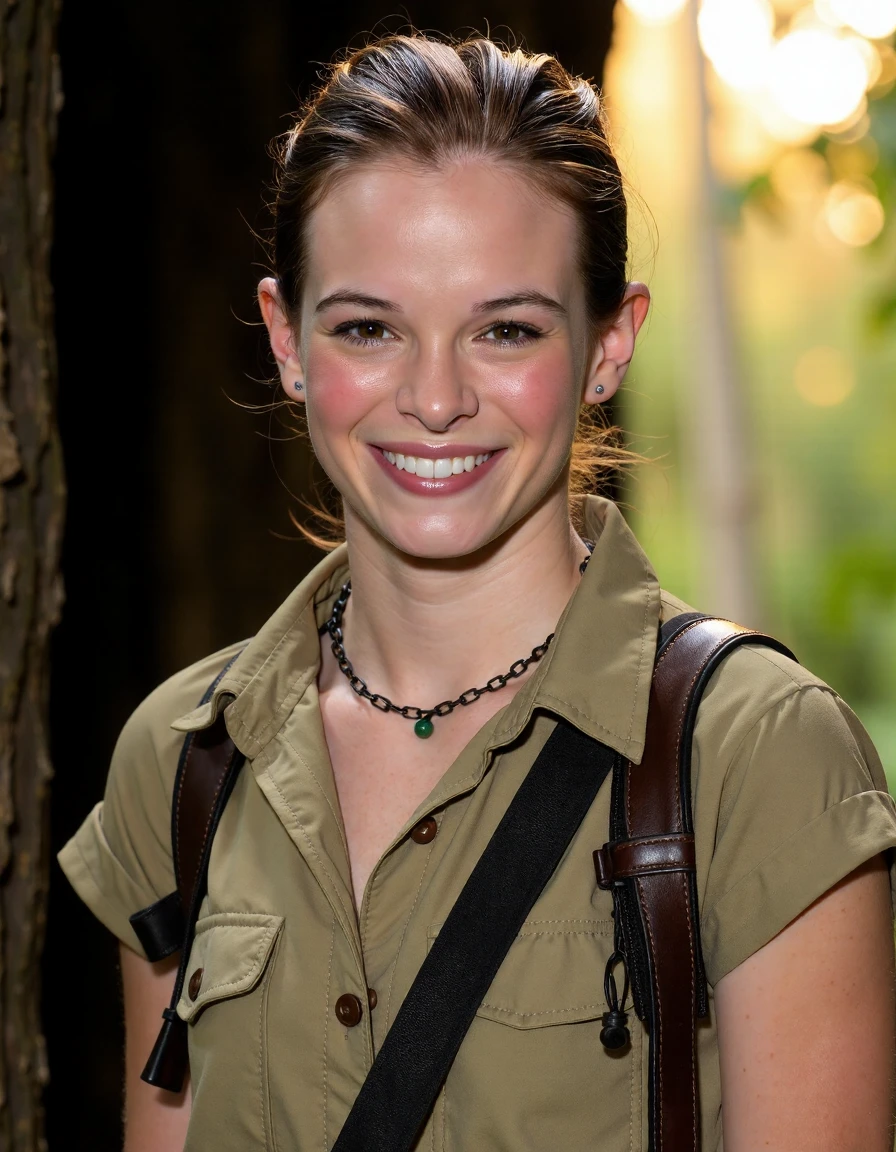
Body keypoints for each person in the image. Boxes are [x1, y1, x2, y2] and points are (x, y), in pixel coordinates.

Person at [59, 31, 896, 1152]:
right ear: (286, 339)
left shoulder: (752, 756)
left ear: (608, 344)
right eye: (368, 328)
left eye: (505, 329)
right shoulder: (181, 762)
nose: (437, 397)